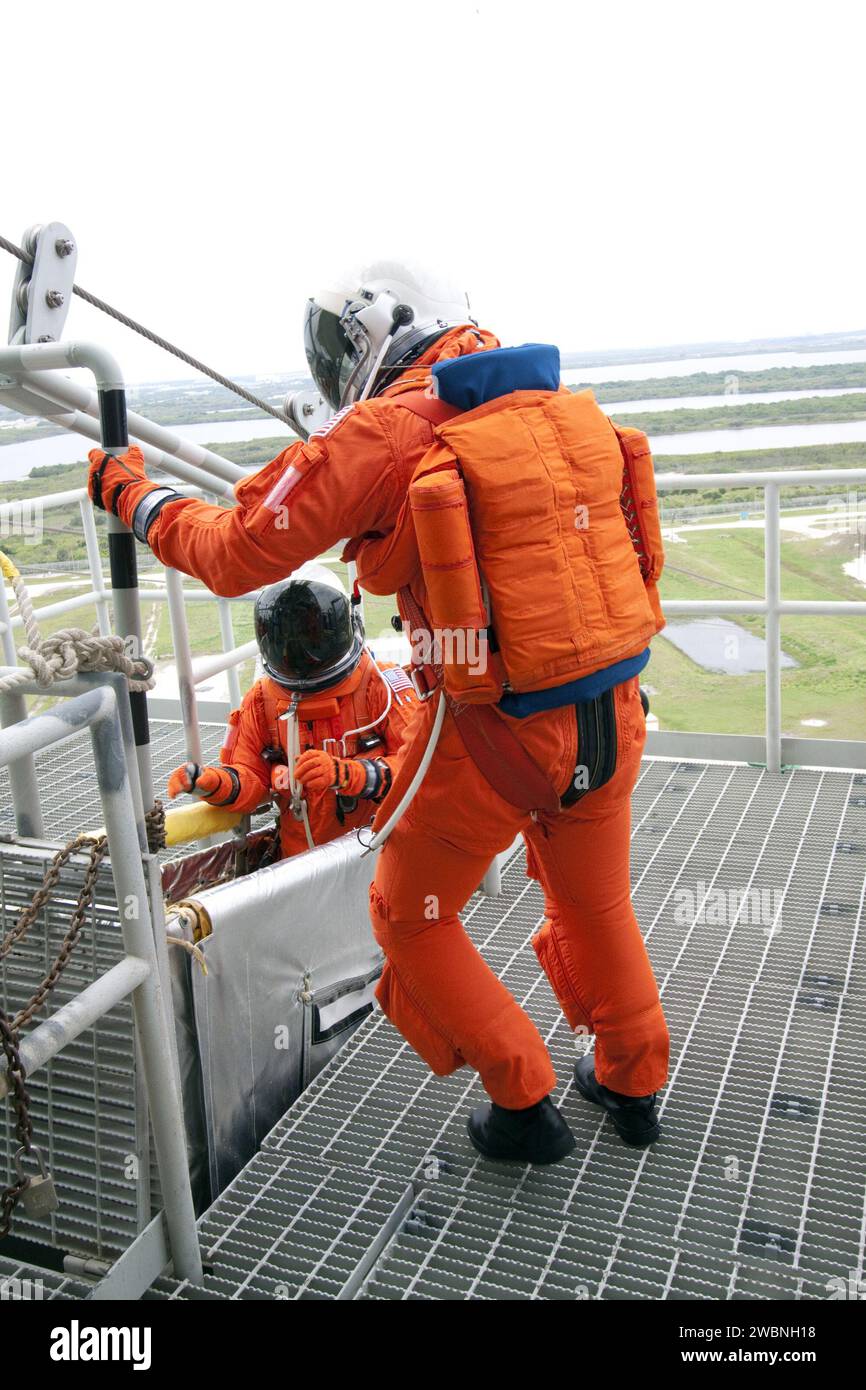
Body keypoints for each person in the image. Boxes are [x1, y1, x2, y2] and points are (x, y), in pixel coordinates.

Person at [88, 261, 670, 1164]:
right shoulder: (554, 407)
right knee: (595, 906)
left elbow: (238, 552)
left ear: (373, 335)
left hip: (493, 739)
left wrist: (135, 494)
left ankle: (524, 1103)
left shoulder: (385, 433)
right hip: (614, 719)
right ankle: (633, 1083)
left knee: (411, 918)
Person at [165, 568, 417, 858]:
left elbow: (420, 771)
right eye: (289, 636)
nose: (302, 652)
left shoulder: (381, 687)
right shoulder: (262, 701)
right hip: (299, 863)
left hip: (378, 853)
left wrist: (349, 775)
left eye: (312, 632)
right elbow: (251, 781)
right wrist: (213, 783)